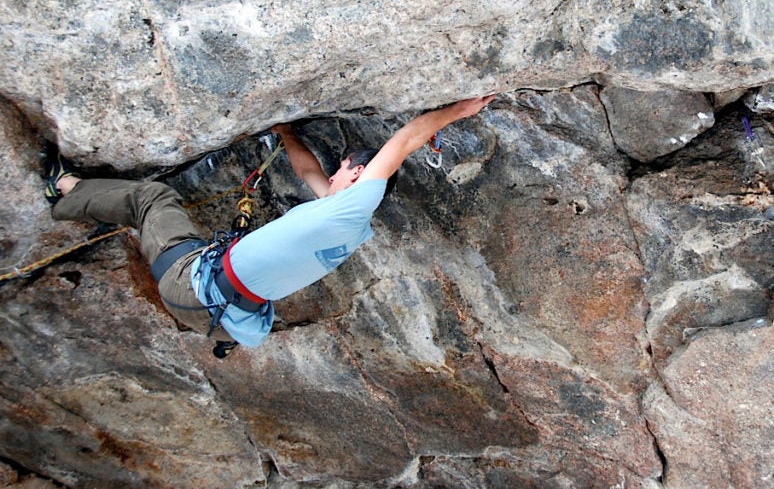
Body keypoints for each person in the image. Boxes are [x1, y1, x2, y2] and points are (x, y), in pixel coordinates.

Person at [44, 96, 495, 356]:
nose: (334, 174)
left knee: (152, 198)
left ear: (359, 175)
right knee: (190, 238)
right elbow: (307, 173)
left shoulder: (353, 206)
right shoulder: (344, 221)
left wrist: (459, 111)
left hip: (195, 288)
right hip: (219, 322)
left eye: (343, 168)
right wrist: (284, 134)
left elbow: (404, 139)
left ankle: (64, 189)